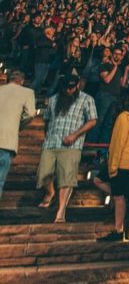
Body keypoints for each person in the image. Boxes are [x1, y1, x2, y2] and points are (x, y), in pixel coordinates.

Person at [37, 73, 97, 223]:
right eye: (66, 87)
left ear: (77, 85)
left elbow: (92, 121)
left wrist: (76, 135)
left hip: (72, 144)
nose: (69, 90)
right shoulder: (53, 99)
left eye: (72, 87)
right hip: (51, 142)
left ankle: (61, 211)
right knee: (43, 174)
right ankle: (50, 192)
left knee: (66, 179)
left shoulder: (86, 99)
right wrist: (47, 136)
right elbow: (47, 120)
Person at [99, 90, 129, 242]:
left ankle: (118, 229)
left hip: (120, 162)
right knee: (100, 182)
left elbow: (118, 143)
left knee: (119, 198)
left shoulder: (123, 117)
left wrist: (112, 166)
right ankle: (122, 212)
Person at [0, 69, 36, 199]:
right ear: (22, 81)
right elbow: (31, 114)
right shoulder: (27, 92)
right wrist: (19, 126)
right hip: (7, 141)